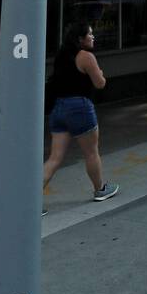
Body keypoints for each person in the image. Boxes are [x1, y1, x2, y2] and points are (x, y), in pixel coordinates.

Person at [42, 21, 120, 211]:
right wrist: (100, 73)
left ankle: (31, 198)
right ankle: (100, 189)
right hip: (80, 107)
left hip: (58, 108)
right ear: (80, 39)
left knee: (55, 157)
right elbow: (100, 83)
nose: (93, 37)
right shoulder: (86, 57)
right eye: (90, 34)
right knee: (91, 152)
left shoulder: (62, 56)